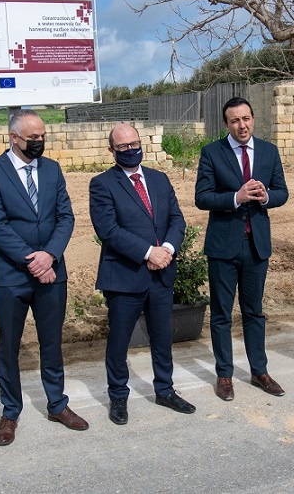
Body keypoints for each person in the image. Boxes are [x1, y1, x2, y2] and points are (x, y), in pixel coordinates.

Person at [0, 110, 88, 447]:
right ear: (14, 138)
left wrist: (49, 255)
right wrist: (34, 261)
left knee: (51, 342)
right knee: (9, 345)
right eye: (33, 138)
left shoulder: (52, 169)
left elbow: (66, 217)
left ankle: (57, 404)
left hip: (52, 271)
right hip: (12, 275)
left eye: (42, 137)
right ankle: (10, 411)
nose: (40, 142)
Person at [90, 123, 196, 425]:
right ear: (111, 150)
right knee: (119, 341)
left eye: (134, 144)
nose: (131, 150)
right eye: (123, 147)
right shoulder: (102, 184)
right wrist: (149, 252)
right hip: (125, 276)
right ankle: (118, 396)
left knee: (162, 338)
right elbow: (108, 230)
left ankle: (165, 390)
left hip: (161, 274)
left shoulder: (159, 179)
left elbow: (176, 219)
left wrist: (167, 250)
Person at [195, 97, 289, 401]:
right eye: (235, 120)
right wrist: (236, 197)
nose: (242, 125)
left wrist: (266, 197)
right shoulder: (212, 152)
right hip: (223, 247)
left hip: (257, 246)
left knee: (254, 312)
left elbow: (282, 192)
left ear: (253, 119)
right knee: (221, 314)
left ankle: (260, 371)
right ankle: (224, 375)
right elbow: (202, 197)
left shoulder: (269, 151)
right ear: (226, 124)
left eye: (246, 118)